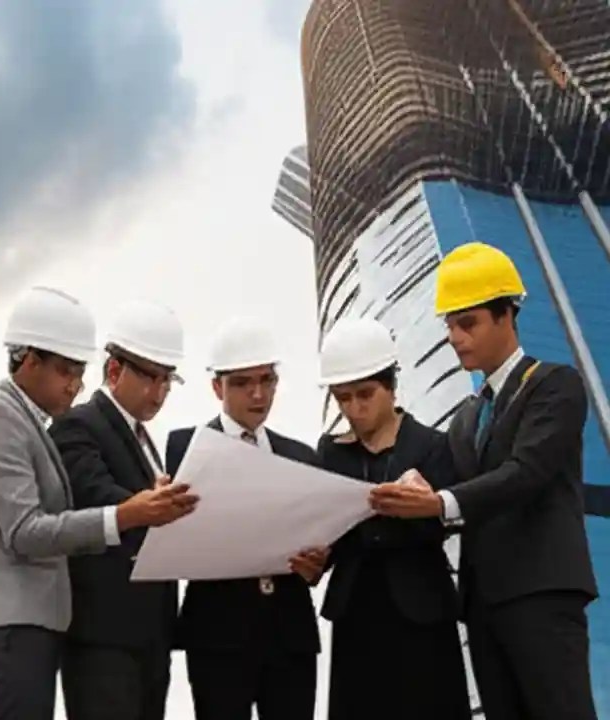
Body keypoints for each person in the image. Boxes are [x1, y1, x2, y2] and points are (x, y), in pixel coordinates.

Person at [369, 242, 599, 720]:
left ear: (506, 316)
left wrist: (439, 502)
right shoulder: (465, 418)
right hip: (482, 604)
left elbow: (526, 472)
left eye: (467, 323)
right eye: (449, 326)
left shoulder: (556, 385)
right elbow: (448, 488)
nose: (455, 337)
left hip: (542, 595)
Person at [0, 286, 200, 720]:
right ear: (29, 361)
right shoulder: (2, 419)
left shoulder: (31, 422)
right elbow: (25, 532)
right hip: (8, 625)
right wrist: (128, 514)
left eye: (79, 372)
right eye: (67, 371)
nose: (76, 385)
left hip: (35, 627)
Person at [164, 316, 324, 720]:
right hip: (218, 638)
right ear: (216, 386)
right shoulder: (185, 448)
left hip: (290, 637)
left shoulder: (302, 456)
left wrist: (321, 562)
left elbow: (323, 536)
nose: (258, 393)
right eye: (242, 382)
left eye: (266, 380)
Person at [313, 318, 470, 720]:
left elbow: (449, 520)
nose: (354, 408)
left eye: (364, 394)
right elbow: (325, 529)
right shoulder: (330, 454)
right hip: (356, 614)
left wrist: (416, 506)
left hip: (421, 613)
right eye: (342, 398)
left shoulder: (433, 446)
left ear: (391, 386)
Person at [49, 299, 187, 720]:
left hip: (151, 635)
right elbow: (94, 497)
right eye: (151, 378)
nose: (160, 392)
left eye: (167, 381)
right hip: (103, 637)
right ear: (113, 371)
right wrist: (152, 502)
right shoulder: (78, 425)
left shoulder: (147, 442)